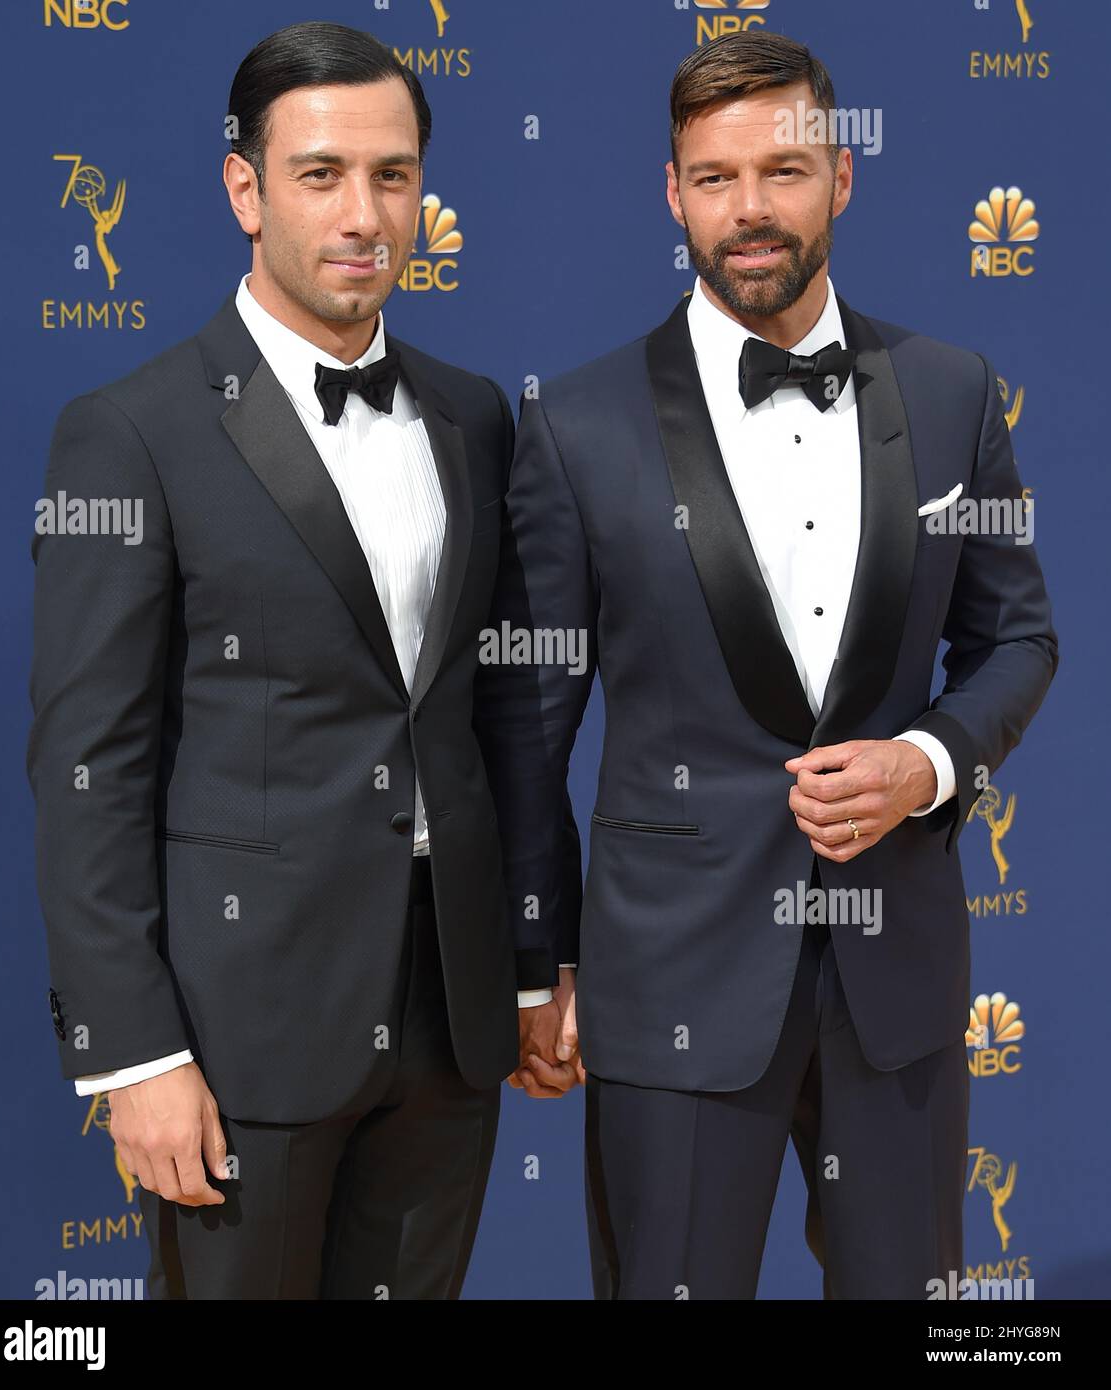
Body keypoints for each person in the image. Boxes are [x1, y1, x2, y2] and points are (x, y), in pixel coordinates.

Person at [477, 30, 1058, 1299]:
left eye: (783, 171)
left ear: (839, 179)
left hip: (892, 975)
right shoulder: (575, 426)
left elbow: (1016, 637)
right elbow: (529, 724)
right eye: (714, 177)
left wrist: (923, 762)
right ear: (671, 194)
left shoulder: (954, 393)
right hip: (668, 979)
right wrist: (537, 959)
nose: (750, 210)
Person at [28, 21, 527, 1300]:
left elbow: (492, 720)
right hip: (240, 1033)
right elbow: (89, 765)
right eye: (320, 175)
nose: (363, 214)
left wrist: (531, 962)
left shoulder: (473, 413)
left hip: (448, 1019)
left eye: (393, 174)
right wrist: (131, 1051)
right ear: (245, 188)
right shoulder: (129, 434)